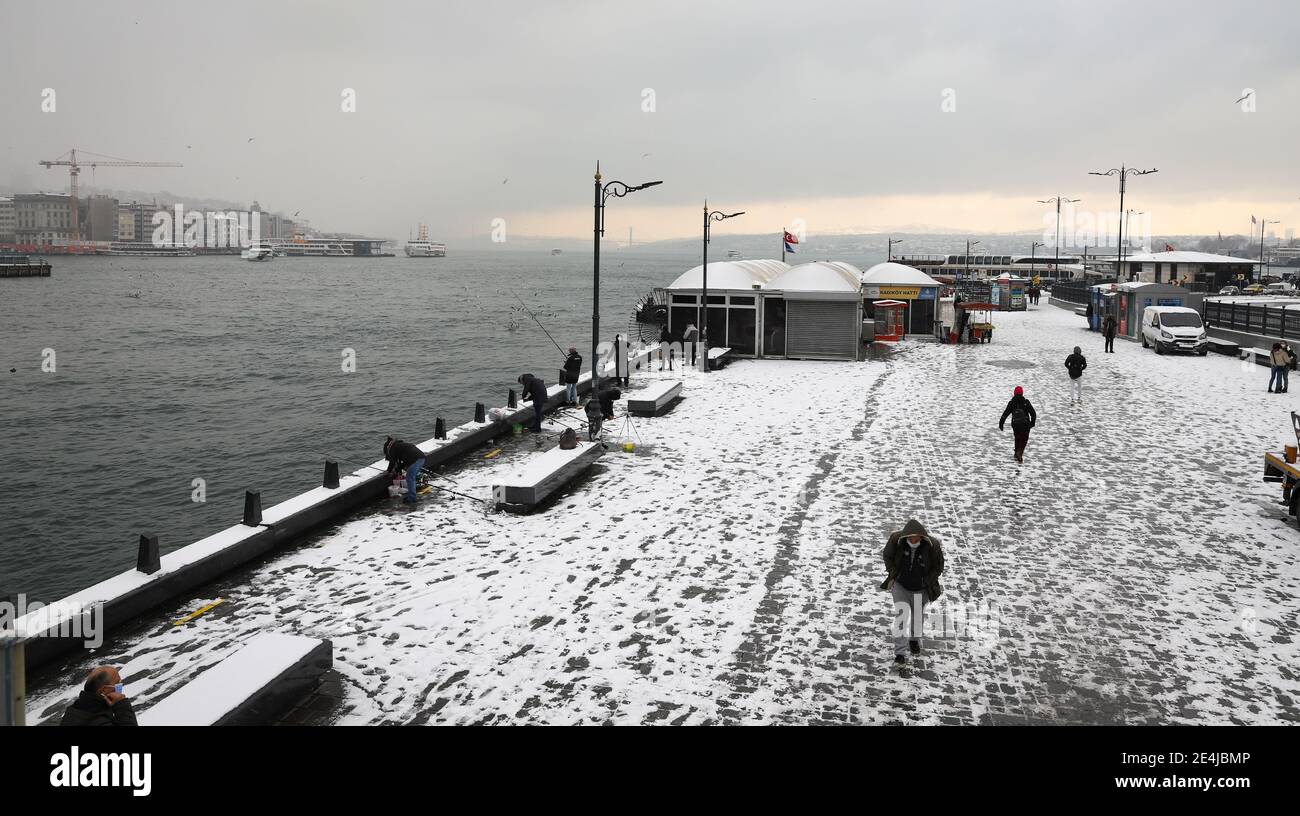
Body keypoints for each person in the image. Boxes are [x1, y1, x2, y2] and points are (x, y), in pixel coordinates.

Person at [878, 519, 944, 665]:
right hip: (901, 587)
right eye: (910, 538)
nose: (913, 540)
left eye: (916, 538)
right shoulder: (896, 540)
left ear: (922, 537)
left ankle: (914, 639)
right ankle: (900, 654)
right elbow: (887, 555)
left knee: (917, 617)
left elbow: (939, 566)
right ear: (905, 537)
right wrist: (894, 573)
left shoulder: (932, 546)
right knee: (901, 618)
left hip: (921, 589)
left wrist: (926, 581)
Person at [60, 666, 137, 726]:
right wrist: (122, 705)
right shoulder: (96, 720)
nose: (120, 685)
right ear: (104, 690)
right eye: (117, 683)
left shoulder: (79, 707)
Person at [998, 385, 1037, 463]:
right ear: (1022, 393)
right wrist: (1032, 423)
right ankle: (1020, 452)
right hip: (1026, 425)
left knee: (1017, 437)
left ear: (1014, 393)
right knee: (1024, 439)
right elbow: (1033, 413)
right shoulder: (1026, 402)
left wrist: (1001, 423)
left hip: (1015, 425)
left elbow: (1005, 413)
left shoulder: (1012, 403)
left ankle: (1016, 452)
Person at [384, 436, 426, 504]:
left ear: (387, 448)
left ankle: (412, 498)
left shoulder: (393, 448)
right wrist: (397, 470)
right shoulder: (399, 445)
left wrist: (388, 471)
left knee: (409, 478)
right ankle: (412, 495)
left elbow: (392, 461)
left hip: (415, 460)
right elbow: (403, 463)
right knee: (411, 477)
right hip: (421, 458)